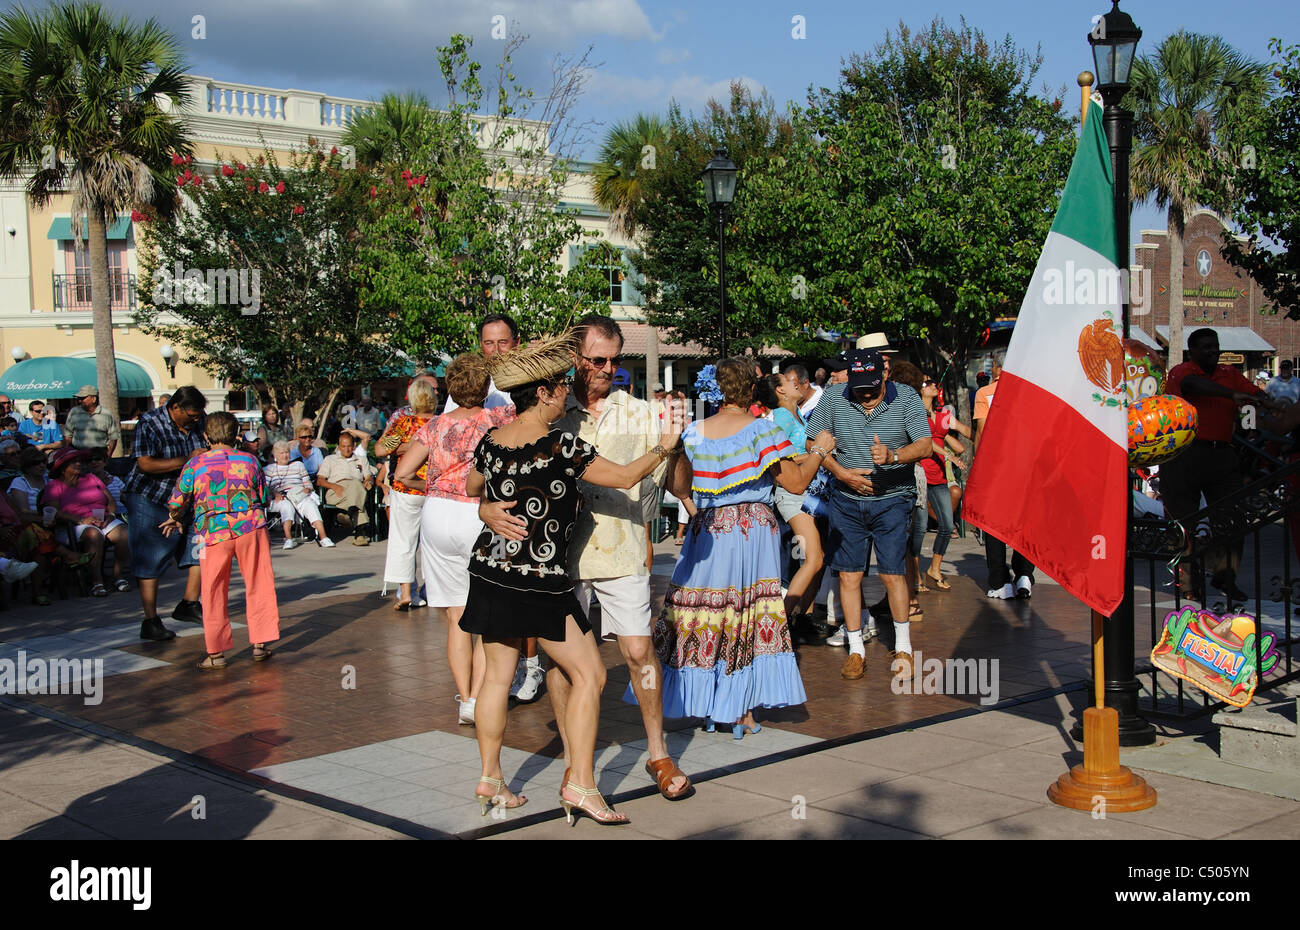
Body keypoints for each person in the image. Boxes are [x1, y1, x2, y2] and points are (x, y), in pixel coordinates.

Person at [461, 332, 681, 825]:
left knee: (496, 678)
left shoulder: (493, 439)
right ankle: (581, 784)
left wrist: (487, 507)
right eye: (559, 385)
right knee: (593, 673)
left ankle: (490, 778)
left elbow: (473, 484)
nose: (565, 390)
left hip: (491, 570)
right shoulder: (562, 444)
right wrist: (665, 447)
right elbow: (625, 478)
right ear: (541, 392)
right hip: (539, 578)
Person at [653, 358, 826, 737]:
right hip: (751, 529)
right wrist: (820, 451)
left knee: (706, 611)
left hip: (708, 530)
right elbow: (795, 484)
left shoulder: (695, 432)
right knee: (744, 612)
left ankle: (708, 704)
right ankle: (741, 709)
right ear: (751, 390)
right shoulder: (762, 431)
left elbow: (679, 488)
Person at [396, 354, 513, 725]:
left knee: (456, 616)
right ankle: (479, 696)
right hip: (480, 512)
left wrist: (431, 486)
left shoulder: (434, 426)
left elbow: (402, 471)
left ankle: (464, 698)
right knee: (487, 613)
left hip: (437, 514)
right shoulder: (498, 421)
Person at [806, 349, 932, 682]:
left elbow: (925, 446)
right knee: (848, 576)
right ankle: (856, 649)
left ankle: (902, 646)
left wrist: (893, 455)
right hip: (846, 500)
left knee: (892, 574)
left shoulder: (906, 398)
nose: (865, 393)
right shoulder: (834, 397)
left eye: (872, 386)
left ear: (885, 375)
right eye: (859, 386)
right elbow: (811, 443)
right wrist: (841, 472)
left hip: (892, 498)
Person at [1161, 328, 1282, 602]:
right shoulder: (1181, 371)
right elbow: (1194, 386)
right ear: (1192, 351)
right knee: (1184, 524)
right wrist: (1232, 396)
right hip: (1185, 455)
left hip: (1221, 454)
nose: (1212, 351)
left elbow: (1254, 393)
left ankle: (1225, 576)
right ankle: (1189, 586)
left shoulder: (1230, 373)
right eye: (1205, 347)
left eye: (1215, 346)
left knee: (1232, 518)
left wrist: (1271, 404)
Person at [162, 411, 281, 669]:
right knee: (259, 583)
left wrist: (174, 516)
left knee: (213, 589)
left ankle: (216, 653)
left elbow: (177, 498)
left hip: (214, 531)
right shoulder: (249, 461)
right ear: (236, 435)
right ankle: (260, 643)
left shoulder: (196, 464)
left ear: (205, 436)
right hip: (251, 526)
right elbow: (263, 496)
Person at [123, 386, 208, 641]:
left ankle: (189, 603)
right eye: (191, 414)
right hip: (151, 497)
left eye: (197, 415)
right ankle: (150, 620)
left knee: (201, 546)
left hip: (189, 498)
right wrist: (188, 459)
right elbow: (145, 463)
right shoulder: (149, 423)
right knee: (152, 555)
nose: (195, 419)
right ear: (175, 407)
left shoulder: (198, 421)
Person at [761, 371, 830, 639]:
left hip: (809, 492)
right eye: (790, 382)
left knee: (818, 560)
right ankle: (780, 624)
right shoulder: (780, 418)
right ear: (780, 391)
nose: (798, 383)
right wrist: (817, 453)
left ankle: (799, 617)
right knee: (813, 560)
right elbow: (777, 460)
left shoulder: (795, 414)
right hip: (792, 495)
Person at [972, 358, 1036, 599]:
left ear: (998, 368)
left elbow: (982, 431)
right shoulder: (1031, 393)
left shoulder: (986, 394)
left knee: (994, 524)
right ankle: (1024, 575)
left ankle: (1000, 581)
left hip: (996, 466)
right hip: (1027, 466)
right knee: (1025, 523)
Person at [375, 377, 439, 609]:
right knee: (434, 544)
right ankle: (433, 590)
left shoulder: (404, 423)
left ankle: (405, 592)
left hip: (406, 488)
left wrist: (407, 446)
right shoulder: (440, 423)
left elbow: (380, 448)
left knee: (404, 541)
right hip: (434, 488)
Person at [42, 447, 130, 596]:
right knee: (93, 535)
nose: (78, 464)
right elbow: (54, 511)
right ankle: (97, 581)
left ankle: (118, 575)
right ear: (62, 467)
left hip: (102, 518)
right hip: (73, 525)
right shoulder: (54, 486)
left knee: (125, 534)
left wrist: (111, 514)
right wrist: (81, 520)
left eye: (79, 461)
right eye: (73, 462)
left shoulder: (91, 478)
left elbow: (110, 500)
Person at [918, 371, 972, 590]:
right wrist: (948, 455)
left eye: (933, 382)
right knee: (919, 529)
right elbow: (927, 442)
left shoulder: (942, 416)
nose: (933, 385)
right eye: (928, 382)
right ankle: (915, 576)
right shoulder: (915, 414)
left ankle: (934, 567)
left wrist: (981, 430)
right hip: (920, 474)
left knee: (947, 525)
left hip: (939, 475)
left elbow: (966, 432)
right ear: (920, 389)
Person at [264, 440, 332, 549]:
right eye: (281, 453)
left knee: (310, 505)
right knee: (286, 506)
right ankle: (288, 538)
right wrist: (275, 493)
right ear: (275, 455)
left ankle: (323, 537)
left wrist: (307, 489)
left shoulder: (298, 465)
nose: (285, 455)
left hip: (299, 494)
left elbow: (308, 484)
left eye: (286, 452)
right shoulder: (269, 469)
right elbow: (264, 487)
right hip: (281, 497)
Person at [316, 430, 375, 546]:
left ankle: (351, 513)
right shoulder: (330, 459)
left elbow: (368, 477)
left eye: (349, 446)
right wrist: (333, 486)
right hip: (337, 491)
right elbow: (320, 480)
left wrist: (368, 482)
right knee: (358, 489)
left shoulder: (361, 460)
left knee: (356, 484)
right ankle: (359, 532)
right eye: (343, 446)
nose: (346, 449)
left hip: (356, 490)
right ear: (339, 447)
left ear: (353, 446)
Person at [64, 385, 120, 457]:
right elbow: (68, 436)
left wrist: (108, 455)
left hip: (99, 455)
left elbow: (113, 438)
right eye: (79, 398)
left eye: (83, 398)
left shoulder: (106, 414)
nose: (80, 401)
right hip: (79, 455)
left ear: (93, 399)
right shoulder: (74, 412)